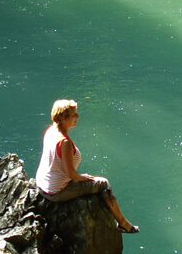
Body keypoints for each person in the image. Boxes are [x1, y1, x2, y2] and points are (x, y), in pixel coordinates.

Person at [35, 99, 139, 233]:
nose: (77, 117)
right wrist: (85, 178)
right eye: (74, 114)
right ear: (62, 117)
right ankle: (123, 223)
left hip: (42, 184)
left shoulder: (50, 131)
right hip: (56, 191)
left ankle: (122, 222)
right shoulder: (64, 142)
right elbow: (70, 174)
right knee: (103, 184)